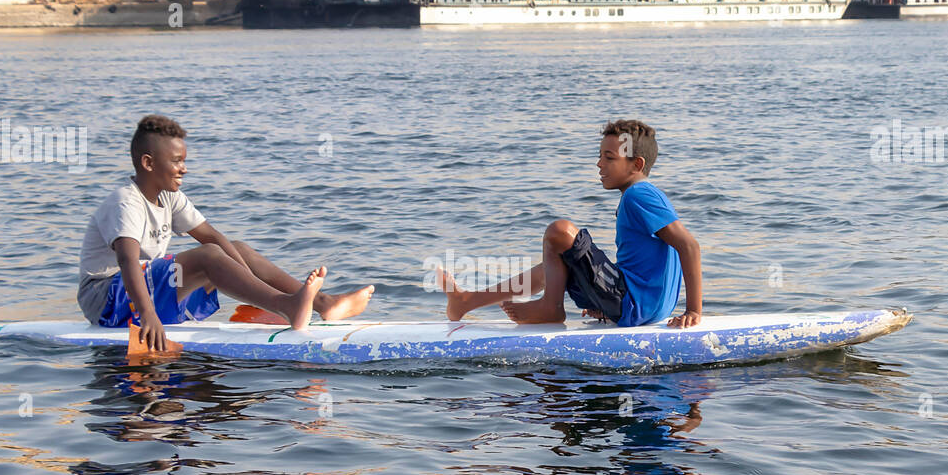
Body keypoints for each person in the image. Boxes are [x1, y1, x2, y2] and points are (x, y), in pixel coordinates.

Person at [77, 114, 374, 351]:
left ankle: (321, 303)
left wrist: (255, 286)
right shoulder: (125, 203)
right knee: (208, 258)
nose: (184, 169)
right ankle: (285, 306)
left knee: (235, 248)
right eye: (176, 161)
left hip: (146, 293)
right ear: (148, 163)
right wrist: (149, 317)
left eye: (185, 160)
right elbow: (128, 263)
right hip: (108, 300)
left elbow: (214, 238)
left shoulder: (169, 197)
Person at [437, 119, 702, 328]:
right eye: (600, 156)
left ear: (636, 164)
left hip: (633, 302)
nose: (599, 164)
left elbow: (689, 246)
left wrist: (693, 311)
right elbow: (645, 264)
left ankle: (550, 308)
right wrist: (603, 299)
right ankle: (465, 301)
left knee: (559, 232)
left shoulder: (638, 194)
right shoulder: (642, 195)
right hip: (638, 303)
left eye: (609, 158)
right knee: (556, 264)